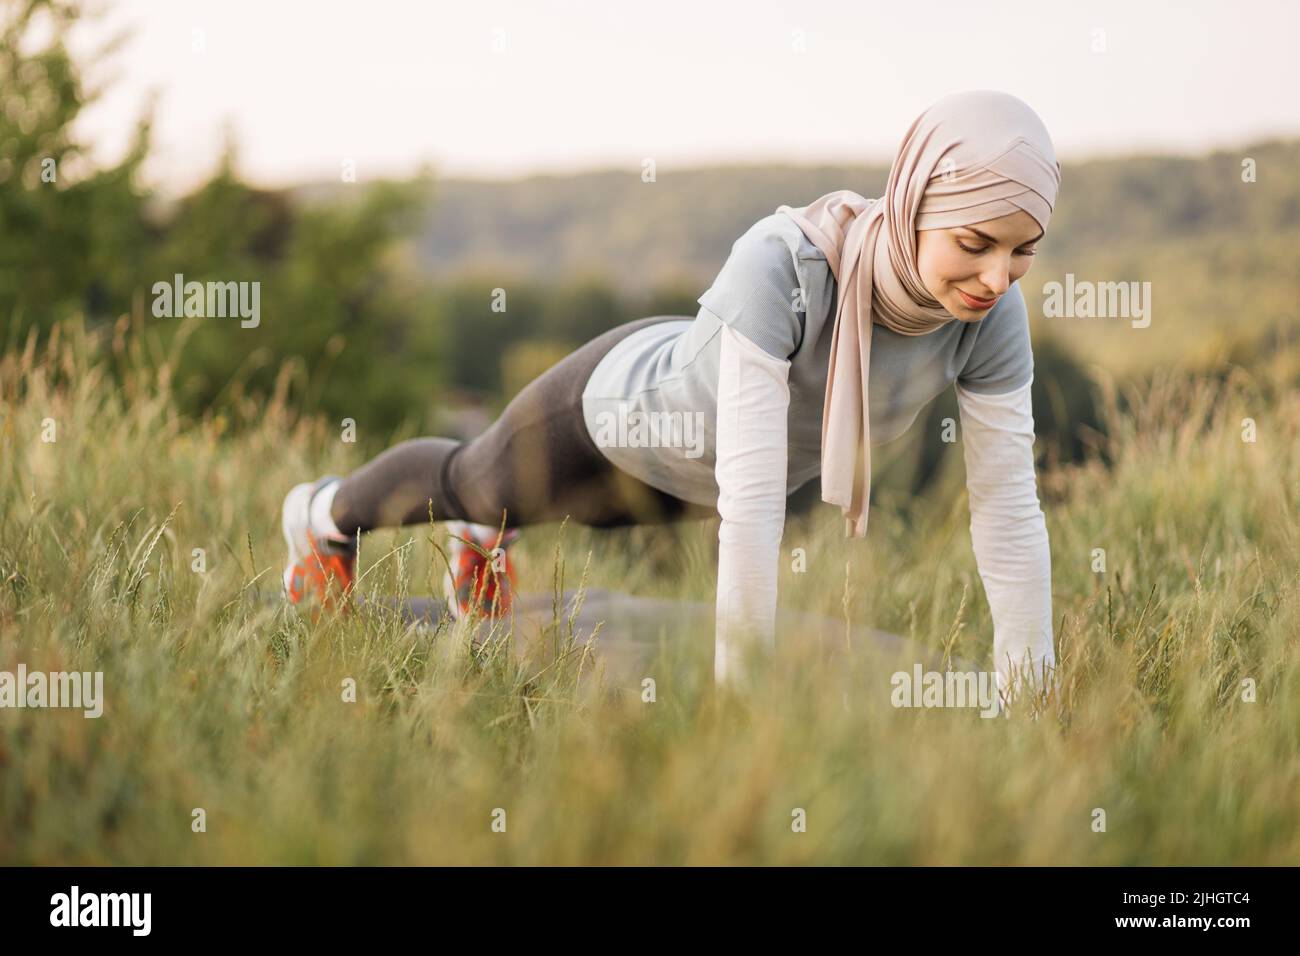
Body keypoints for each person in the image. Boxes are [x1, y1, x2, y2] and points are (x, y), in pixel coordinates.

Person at [282, 89, 1061, 700]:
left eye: (1022, 251)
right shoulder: (785, 264)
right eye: (974, 243)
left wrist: (1030, 695)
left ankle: (488, 539)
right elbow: (753, 505)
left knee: (515, 514)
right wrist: (739, 698)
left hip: (692, 491)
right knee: (474, 483)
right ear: (918, 199)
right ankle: (320, 517)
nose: (998, 277)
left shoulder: (988, 320)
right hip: (610, 418)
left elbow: (1007, 510)